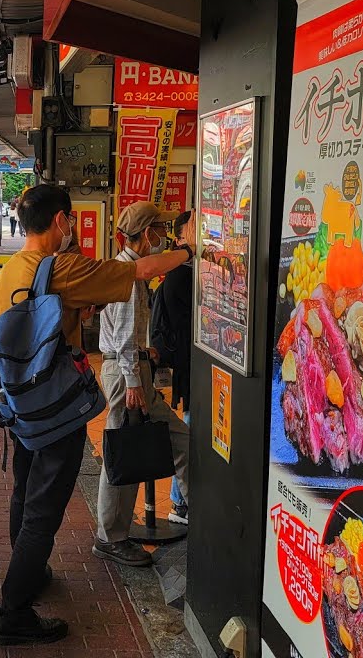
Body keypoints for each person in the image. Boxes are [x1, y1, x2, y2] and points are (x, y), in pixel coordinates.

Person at [0, 185, 193, 645]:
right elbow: (142, 269)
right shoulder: (60, 266)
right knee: (45, 510)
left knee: (25, 491)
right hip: (55, 410)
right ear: (60, 221)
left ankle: (32, 570)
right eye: (71, 221)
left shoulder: (14, 269)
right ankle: (12, 611)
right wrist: (188, 251)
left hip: (20, 404)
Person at [92, 202, 192, 566]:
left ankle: (113, 533)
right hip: (125, 374)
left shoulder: (123, 267)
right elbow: (121, 335)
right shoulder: (129, 275)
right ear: (147, 234)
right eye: (159, 231)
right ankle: (110, 537)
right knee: (123, 453)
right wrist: (135, 380)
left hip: (128, 370)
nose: (162, 238)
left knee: (157, 445)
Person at [152, 210, 196, 525]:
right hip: (190, 366)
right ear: (181, 237)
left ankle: (180, 503)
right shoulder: (181, 273)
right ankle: (180, 505)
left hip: (189, 367)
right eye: (196, 225)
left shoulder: (186, 269)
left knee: (188, 430)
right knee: (188, 432)